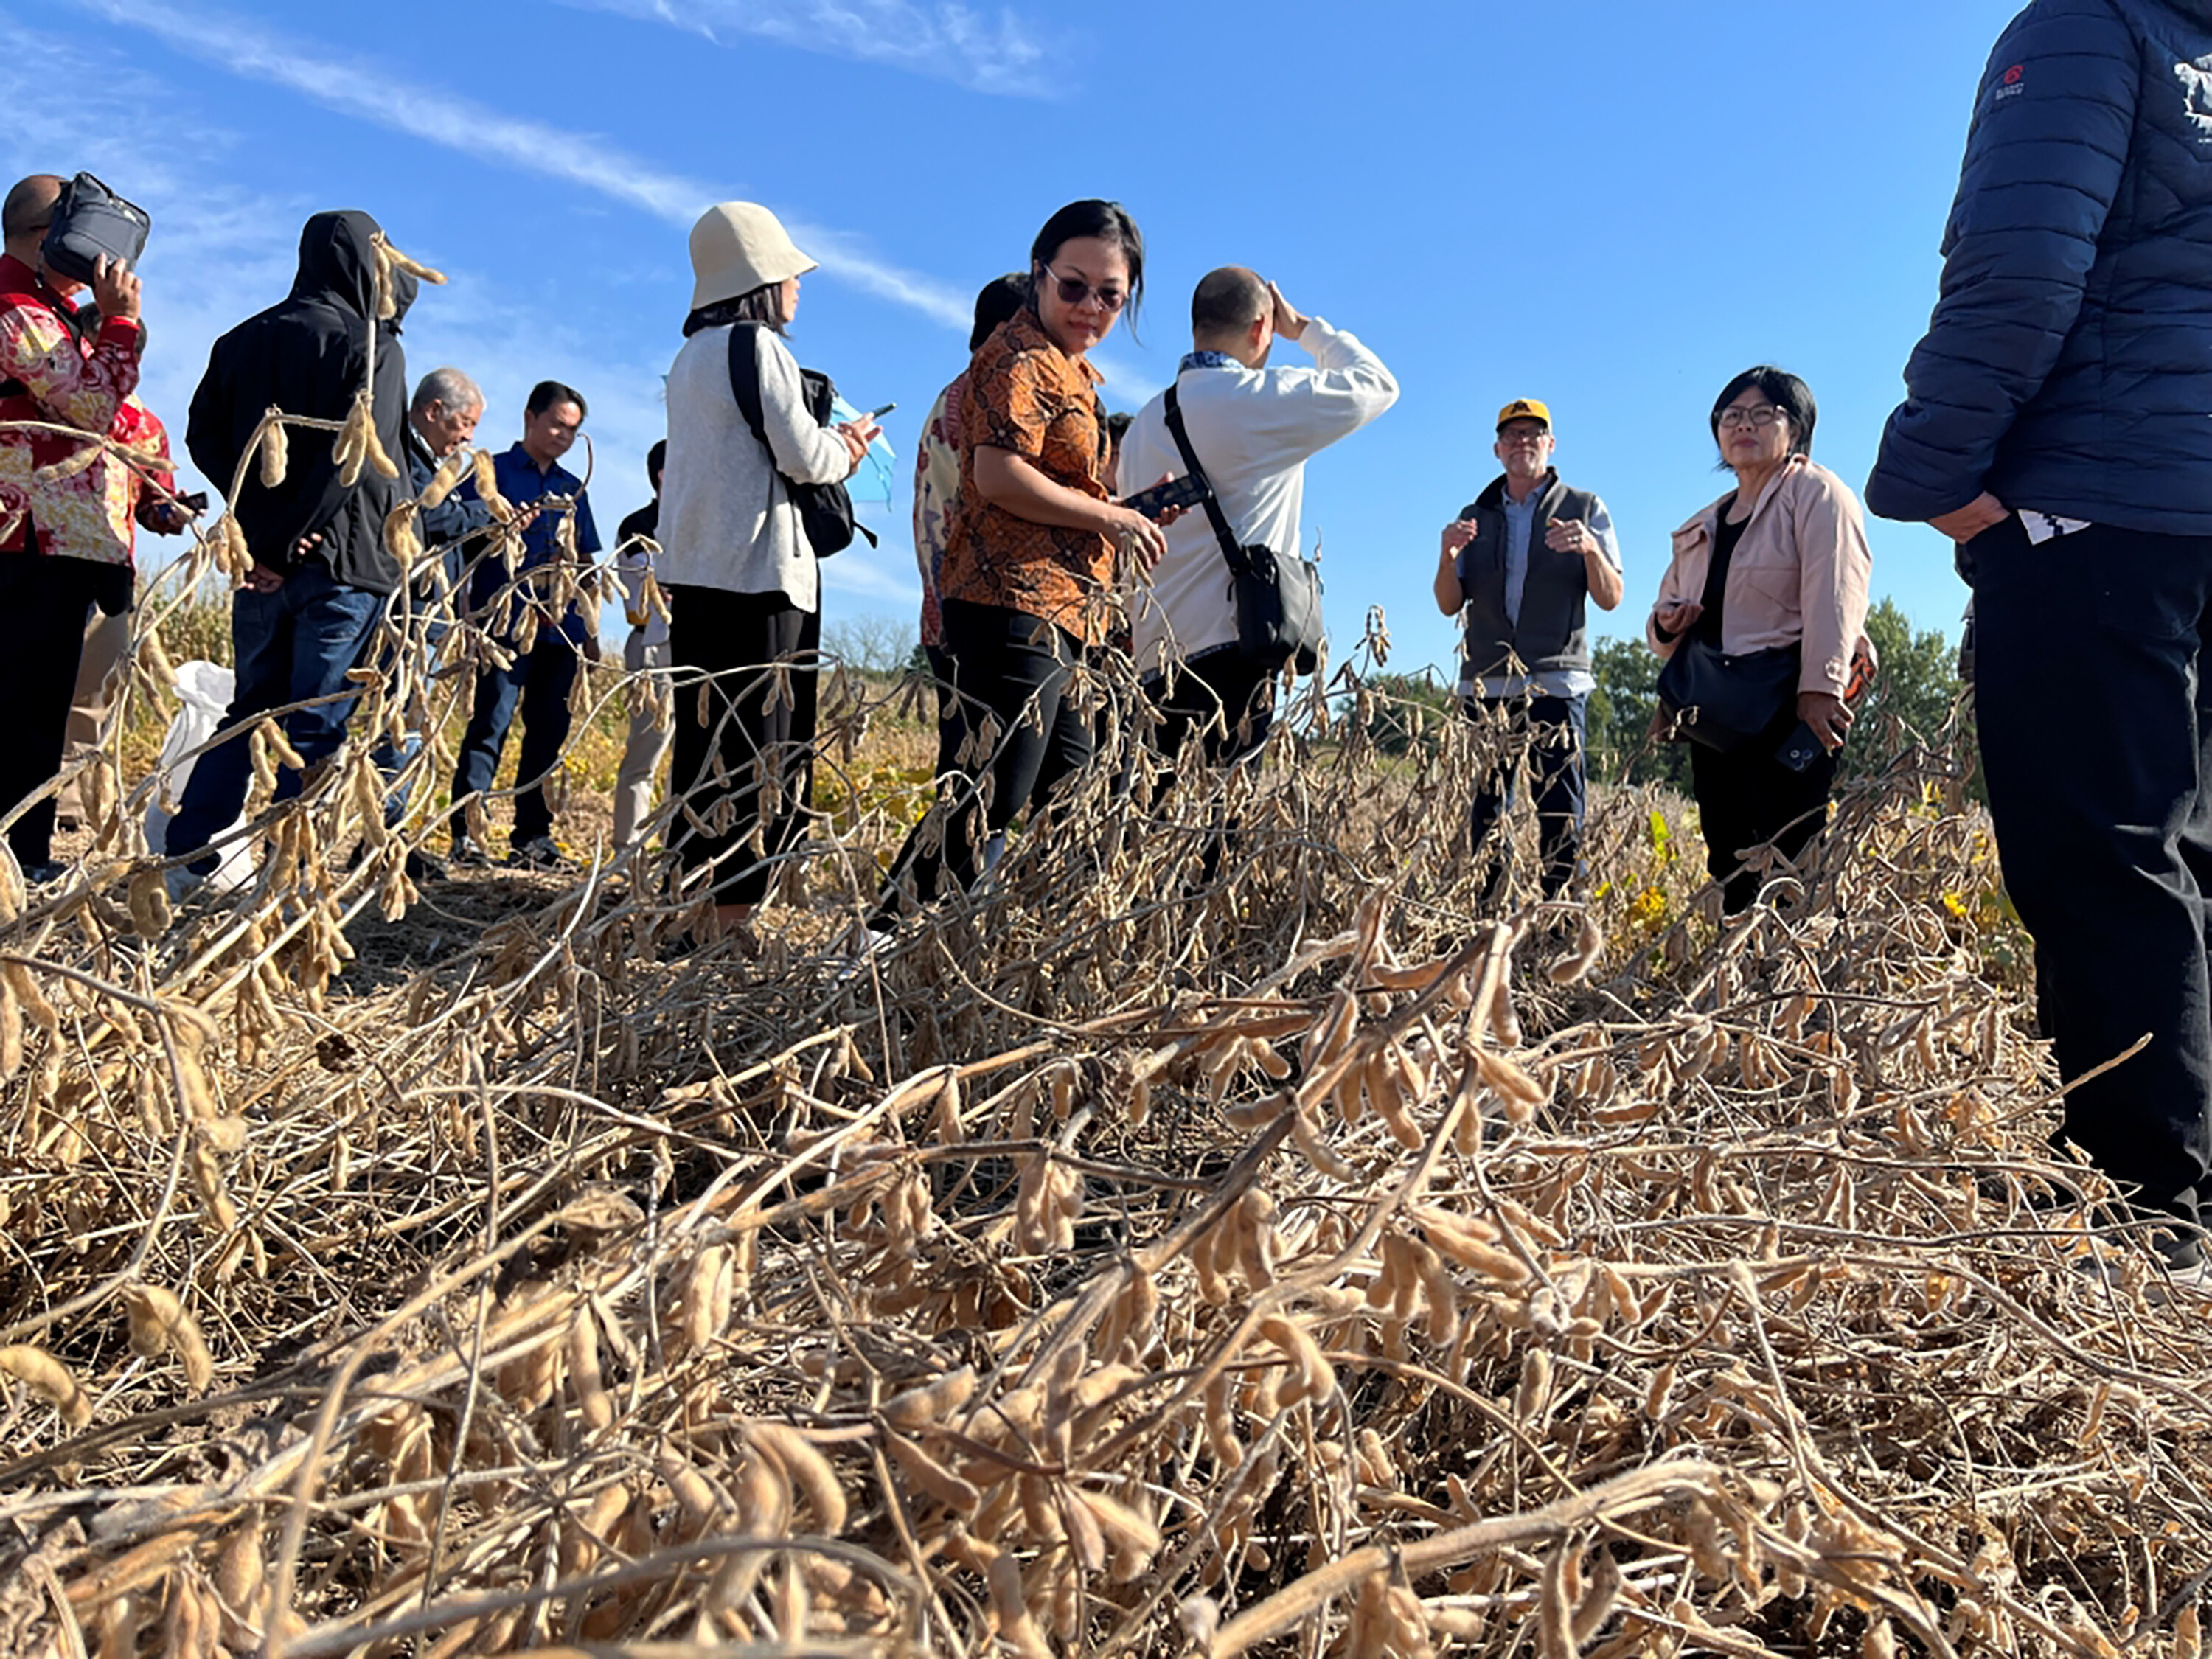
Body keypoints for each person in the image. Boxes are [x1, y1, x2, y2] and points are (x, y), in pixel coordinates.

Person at [1865, 1, 2212, 1279]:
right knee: (2187, 854)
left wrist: (1931, 475)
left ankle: (2144, 1223)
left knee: (2103, 860)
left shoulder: (2086, 24)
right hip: (2190, 510)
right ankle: (2182, 1188)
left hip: (2095, 500)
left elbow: (2019, 262)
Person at [874, 200, 1167, 927]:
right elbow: (1000, 474)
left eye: (1111, 296)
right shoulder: (1016, 356)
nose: (1091, 306)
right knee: (989, 794)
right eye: (1074, 285)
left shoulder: (1072, 371)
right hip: (1009, 602)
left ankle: (1008, 951)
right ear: (1040, 275)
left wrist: (1128, 510)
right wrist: (1110, 515)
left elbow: (1063, 488)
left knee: (1081, 785)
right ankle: (875, 953)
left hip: (1068, 612)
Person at [167, 209, 412, 891]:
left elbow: (203, 436)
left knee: (248, 710)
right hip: (343, 562)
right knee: (315, 723)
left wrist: (258, 525)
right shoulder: (372, 347)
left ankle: (187, 852)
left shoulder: (241, 339)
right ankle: (288, 873)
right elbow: (357, 459)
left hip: (260, 568)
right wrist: (296, 533)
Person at [658, 203, 876, 934]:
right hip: (760, 578)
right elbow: (804, 458)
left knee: (701, 746)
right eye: (790, 272)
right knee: (761, 749)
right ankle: (732, 924)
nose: (798, 286)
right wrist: (847, 444)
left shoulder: (688, 359)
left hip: (693, 577)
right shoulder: (759, 347)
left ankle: (682, 908)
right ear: (761, 276)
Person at [1121, 267, 1396, 809]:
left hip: (1153, 655)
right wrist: (1305, 330)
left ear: (1197, 326)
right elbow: (1377, 385)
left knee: (1154, 828)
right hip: (1237, 649)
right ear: (1259, 331)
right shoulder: (1259, 399)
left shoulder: (1143, 426)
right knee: (1219, 831)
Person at [0, 174, 180, 883]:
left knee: (43, 706)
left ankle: (25, 854)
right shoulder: (16, 309)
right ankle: (20, 860)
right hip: (30, 534)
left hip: (73, 541)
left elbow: (123, 426)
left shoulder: (57, 310)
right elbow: (95, 406)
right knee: (23, 707)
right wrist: (123, 321)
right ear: (50, 236)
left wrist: (153, 489)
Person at [1646, 368, 1870, 916]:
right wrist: (1667, 627)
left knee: (1792, 847)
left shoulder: (1816, 493)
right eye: (1731, 416)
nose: (1743, 425)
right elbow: (1664, 613)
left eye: (1763, 413)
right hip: (1716, 706)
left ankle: (1791, 979)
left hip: (1788, 701)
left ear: (1795, 428)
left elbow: (1836, 593)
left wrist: (1822, 688)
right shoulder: (1704, 522)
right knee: (1726, 845)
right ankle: (1737, 973)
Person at [1433, 399, 1622, 904]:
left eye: (1533, 433)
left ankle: (1559, 922)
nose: (1523, 442)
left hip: (1556, 683)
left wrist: (1590, 550)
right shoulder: (1474, 517)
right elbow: (1448, 604)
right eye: (1512, 435)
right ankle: (1491, 919)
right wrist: (1446, 556)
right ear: (1497, 450)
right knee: (1488, 810)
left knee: (1560, 808)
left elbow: (1611, 597)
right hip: (1487, 683)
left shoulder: (1586, 508)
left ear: (1551, 445)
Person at [448, 379, 601, 871]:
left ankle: (533, 838)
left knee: (548, 735)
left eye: (573, 430)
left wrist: (591, 634)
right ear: (530, 418)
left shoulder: (572, 487)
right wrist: (464, 619)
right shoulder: (487, 473)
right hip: (502, 625)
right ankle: (467, 835)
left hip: (561, 631)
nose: (562, 435)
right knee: (489, 725)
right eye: (557, 423)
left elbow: (585, 562)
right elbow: (456, 544)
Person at [362, 364, 491, 872]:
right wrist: (485, 515)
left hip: (426, 617)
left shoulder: (436, 460)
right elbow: (424, 516)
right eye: (465, 423)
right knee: (399, 728)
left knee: (407, 727)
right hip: (405, 614)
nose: (468, 437)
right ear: (433, 411)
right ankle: (382, 840)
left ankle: (384, 836)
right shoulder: (401, 452)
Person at [56, 395, 187, 835]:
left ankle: (69, 805)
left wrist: (172, 511)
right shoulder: (50, 397)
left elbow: (152, 501)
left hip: (109, 572)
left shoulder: (145, 425)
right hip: (36, 558)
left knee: (92, 696)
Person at [914, 274, 1030, 700]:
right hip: (990, 616)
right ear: (1006, 330)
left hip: (945, 614)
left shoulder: (953, 393)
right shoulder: (989, 395)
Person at [613, 439, 671, 850]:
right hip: (653, 646)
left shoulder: (709, 520)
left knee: (695, 762)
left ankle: (677, 851)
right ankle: (627, 853)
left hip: (702, 648)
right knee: (645, 753)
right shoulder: (637, 527)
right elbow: (636, 598)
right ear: (662, 475)